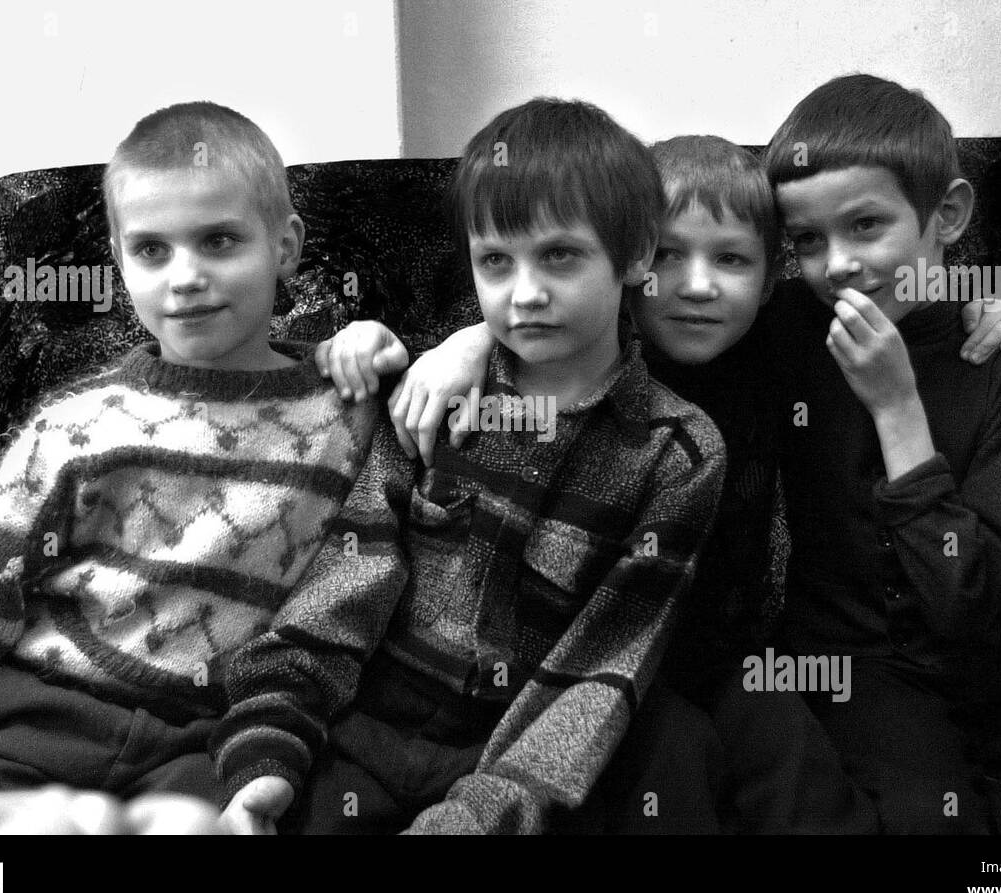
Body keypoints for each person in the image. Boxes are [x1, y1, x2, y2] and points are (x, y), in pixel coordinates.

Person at [346, 129, 1001, 832]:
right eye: (668, 257)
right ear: (631, 261)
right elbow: (522, 308)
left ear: (772, 277)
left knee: (785, 749)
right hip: (591, 655)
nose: (696, 285)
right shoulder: (588, 351)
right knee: (668, 761)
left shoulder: (788, 337)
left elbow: (895, 298)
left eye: (731, 259)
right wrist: (463, 342)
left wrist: (977, 306)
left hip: (723, 653)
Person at [0, 102, 392, 820]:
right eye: (152, 250)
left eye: (220, 241)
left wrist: (389, 351)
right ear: (120, 263)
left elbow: (471, 398)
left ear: (286, 247)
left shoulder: (349, 410)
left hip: (206, 744)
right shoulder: (77, 427)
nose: (186, 276)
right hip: (38, 720)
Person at [214, 97, 727, 835]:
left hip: (512, 757)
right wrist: (269, 749)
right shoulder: (430, 394)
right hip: (366, 723)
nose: (524, 293)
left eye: (559, 255)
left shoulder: (678, 453)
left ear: (637, 252)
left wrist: (479, 815)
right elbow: (343, 583)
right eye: (496, 261)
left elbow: (596, 672)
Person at [762, 73, 1001, 833]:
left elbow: (965, 595)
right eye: (807, 241)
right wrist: (471, 346)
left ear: (948, 214)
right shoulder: (786, 334)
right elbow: (651, 316)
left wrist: (901, 405)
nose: (836, 264)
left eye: (866, 225)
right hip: (859, 665)